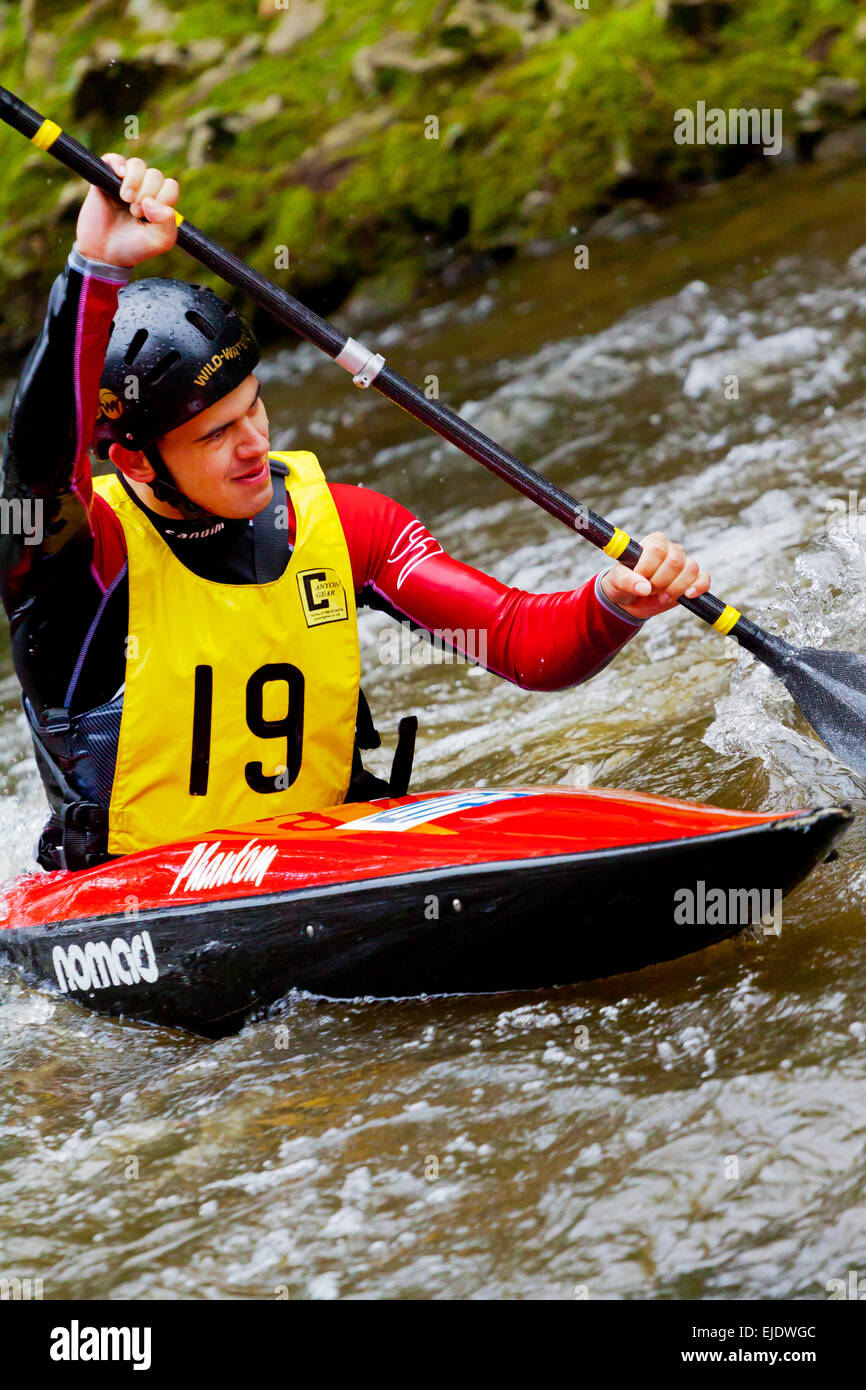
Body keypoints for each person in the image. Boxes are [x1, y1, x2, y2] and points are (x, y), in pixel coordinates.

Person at [0, 155, 711, 872]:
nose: (256, 446)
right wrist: (93, 266)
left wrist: (614, 604)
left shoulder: (343, 525)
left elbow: (520, 643)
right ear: (135, 463)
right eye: (215, 435)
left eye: (254, 408)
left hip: (323, 863)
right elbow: (35, 471)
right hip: (131, 894)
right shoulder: (82, 563)